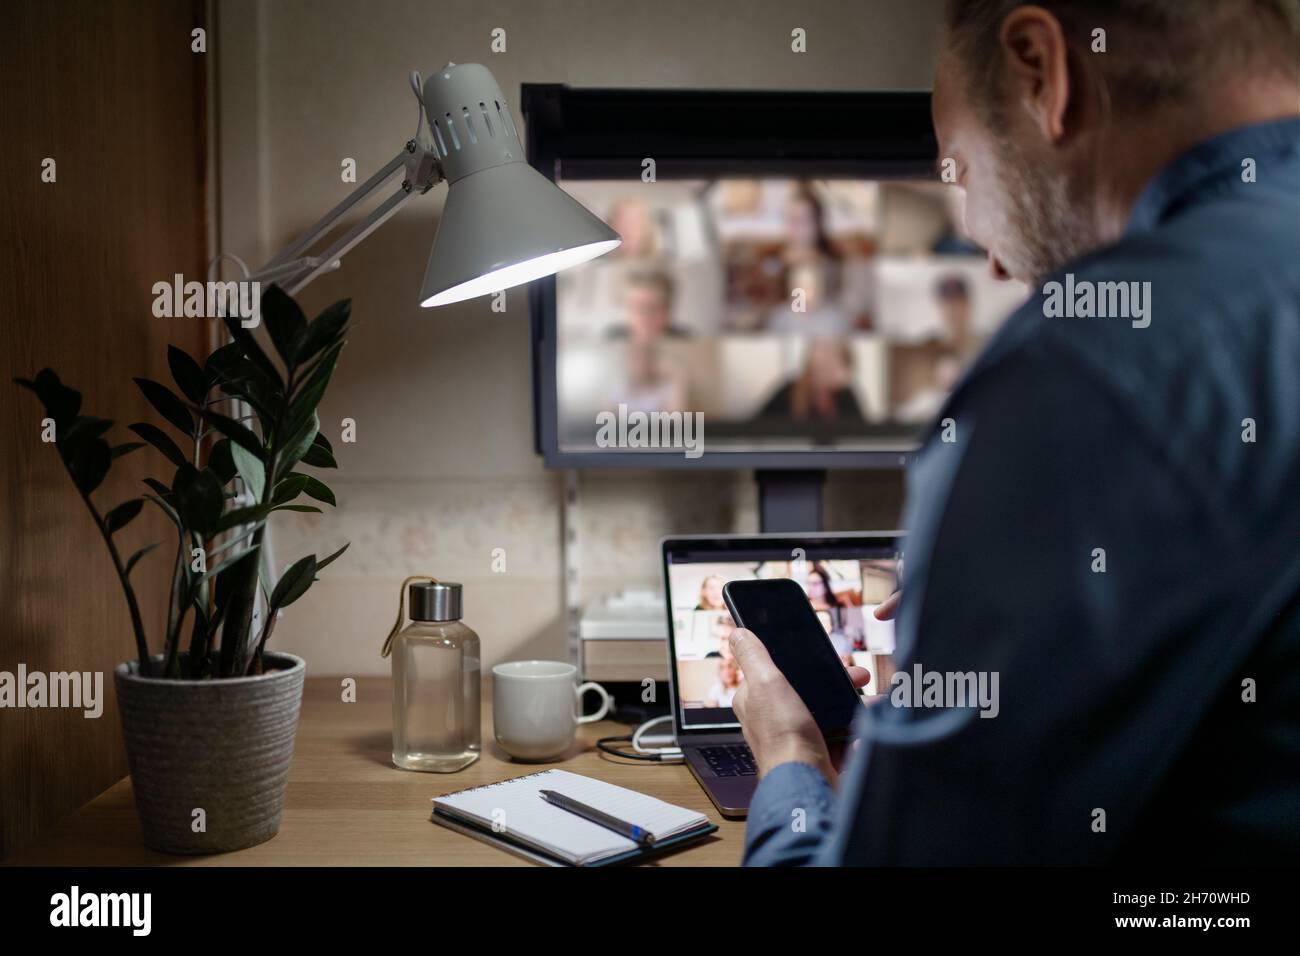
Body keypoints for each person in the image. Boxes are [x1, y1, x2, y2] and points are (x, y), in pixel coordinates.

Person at [732, 0, 1300, 865]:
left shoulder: (1090, 366)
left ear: (1043, 70)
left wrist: (791, 762)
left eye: (956, 172)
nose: (990, 259)